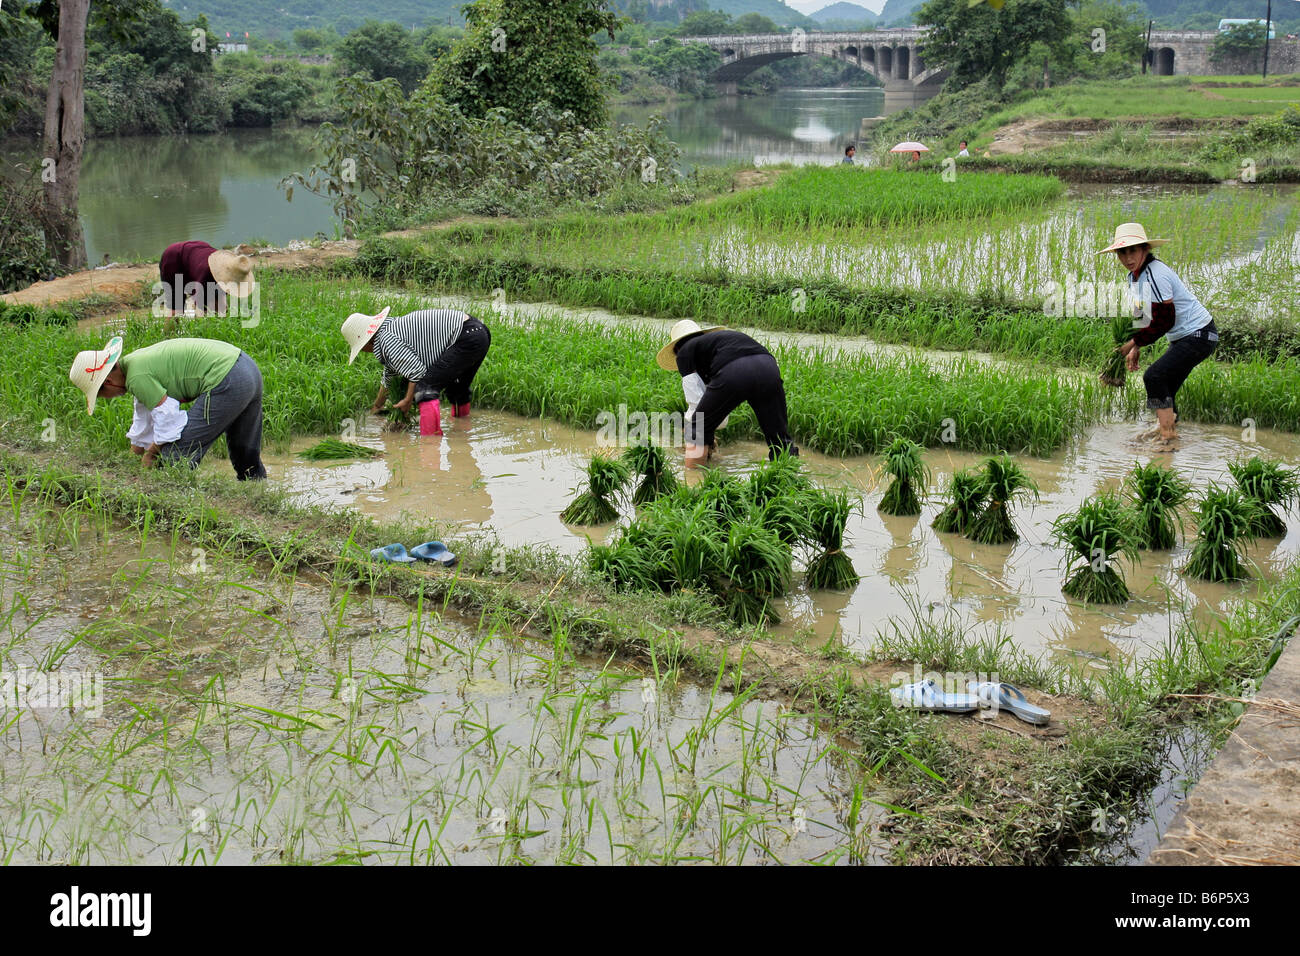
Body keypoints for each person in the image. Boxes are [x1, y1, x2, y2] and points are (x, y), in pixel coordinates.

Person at [69, 336, 267, 478]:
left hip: (227, 378)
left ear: (109, 382)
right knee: (244, 451)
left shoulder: (137, 377)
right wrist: (131, 462)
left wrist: (151, 454)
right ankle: (257, 492)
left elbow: (169, 419)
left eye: (101, 394)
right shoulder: (134, 366)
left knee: (174, 457)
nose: (106, 398)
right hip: (246, 367)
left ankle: (183, 507)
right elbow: (144, 419)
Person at [1097, 222, 1218, 448]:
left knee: (1154, 377)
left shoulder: (1156, 273)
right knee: (1166, 387)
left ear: (1145, 249)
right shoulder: (1133, 278)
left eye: (1133, 250)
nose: (1127, 257)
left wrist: (1131, 343)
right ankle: (1170, 432)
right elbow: (1142, 317)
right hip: (1184, 337)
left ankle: (1167, 438)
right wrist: (1136, 348)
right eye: (1122, 252)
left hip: (1200, 334)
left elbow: (1165, 320)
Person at [656, 320, 797, 468]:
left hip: (735, 370)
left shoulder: (684, 354)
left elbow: (696, 402)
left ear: (676, 349)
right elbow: (715, 403)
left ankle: (692, 482)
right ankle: (789, 480)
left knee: (697, 429)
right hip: (768, 367)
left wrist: (692, 427)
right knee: (778, 437)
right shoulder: (716, 345)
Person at [341, 306, 491, 433]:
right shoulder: (389, 330)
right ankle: (462, 431)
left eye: (361, 347)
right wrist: (377, 407)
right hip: (479, 332)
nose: (365, 351)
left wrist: (407, 400)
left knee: (425, 388)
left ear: (367, 341)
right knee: (458, 389)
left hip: (465, 337)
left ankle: (430, 444)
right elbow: (389, 377)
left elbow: (417, 373)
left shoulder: (387, 341)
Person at [157, 241, 255, 316]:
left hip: (195, 254)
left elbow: (221, 307)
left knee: (221, 309)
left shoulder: (231, 272)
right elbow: (199, 312)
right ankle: (169, 338)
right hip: (174, 260)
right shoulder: (207, 276)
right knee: (177, 310)